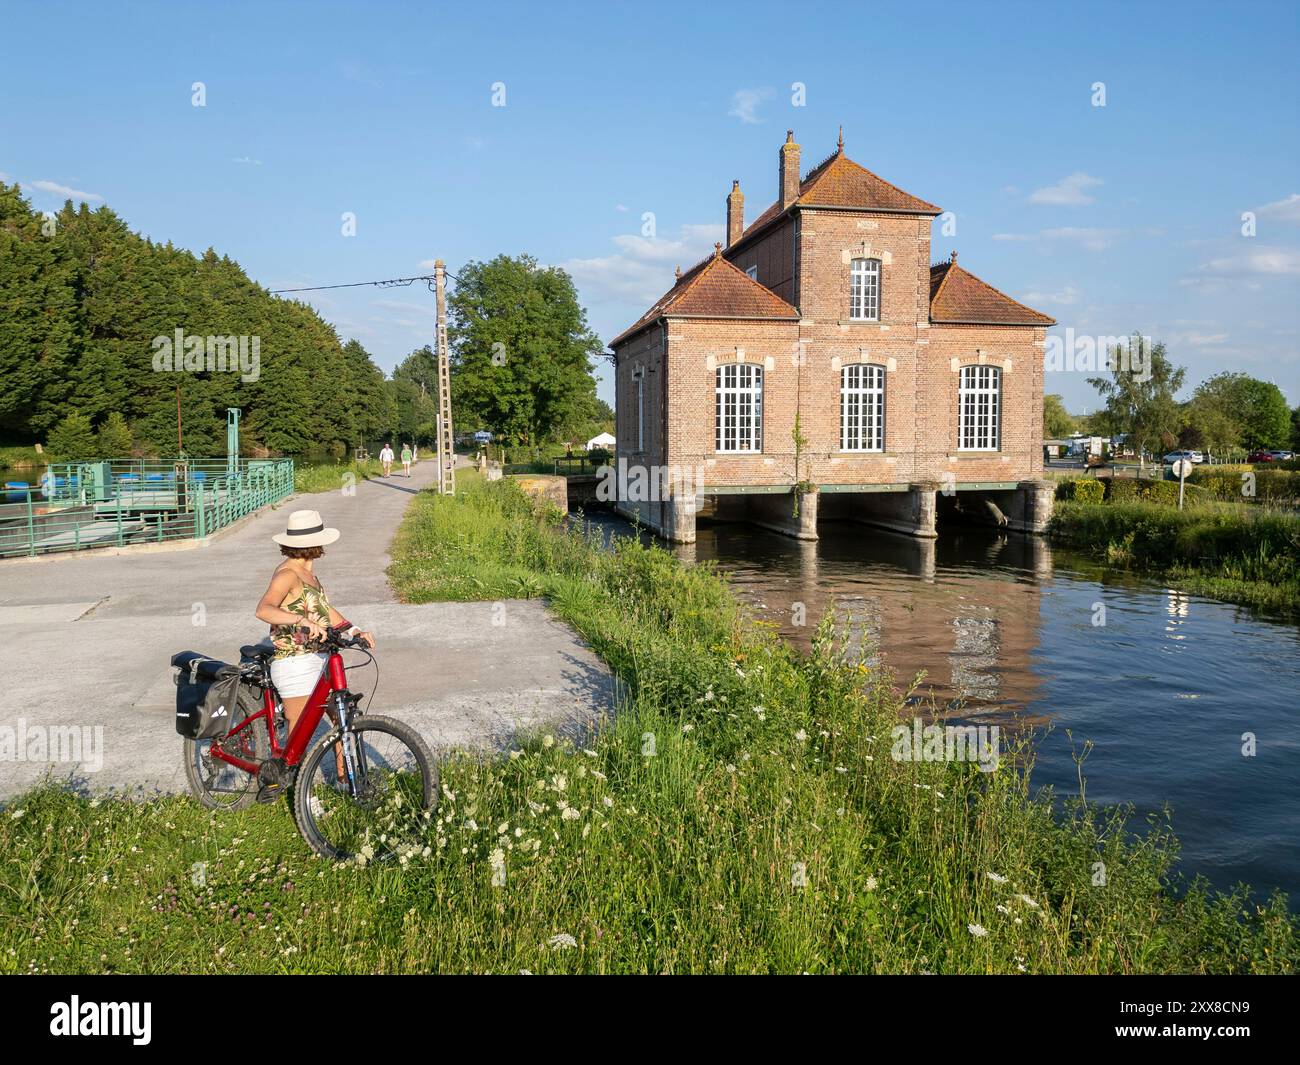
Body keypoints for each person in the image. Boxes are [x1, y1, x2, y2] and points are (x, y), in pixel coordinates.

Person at [255, 510, 375, 781]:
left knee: (342, 719)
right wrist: (301, 621)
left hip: (317, 660)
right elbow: (264, 610)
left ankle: (347, 782)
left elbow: (324, 610)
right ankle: (297, 793)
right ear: (316, 544)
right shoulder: (288, 573)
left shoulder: (309, 576)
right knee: (300, 737)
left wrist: (354, 630)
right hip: (293, 662)